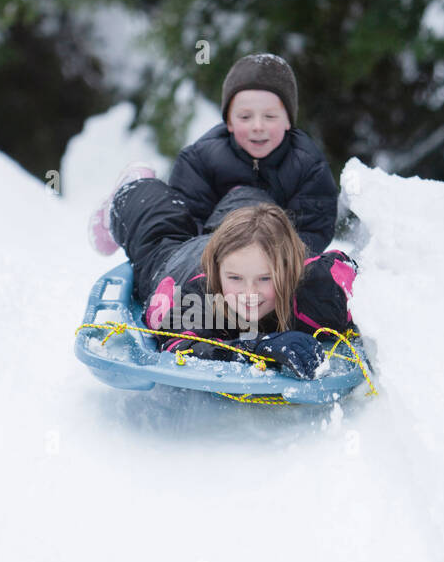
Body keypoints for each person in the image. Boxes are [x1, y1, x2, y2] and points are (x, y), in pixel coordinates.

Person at [105, 171, 358, 380]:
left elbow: (362, 283)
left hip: (242, 246)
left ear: (290, 272)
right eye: (236, 279)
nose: (249, 293)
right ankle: (133, 184)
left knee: (254, 203)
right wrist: (259, 346)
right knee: (155, 216)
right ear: (216, 273)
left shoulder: (319, 289)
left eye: (265, 279)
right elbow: (181, 348)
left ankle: (237, 189)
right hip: (176, 256)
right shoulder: (194, 298)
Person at [167, 52, 339, 255]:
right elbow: (185, 223)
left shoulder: (307, 164)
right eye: (245, 117)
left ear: (288, 122)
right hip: (212, 260)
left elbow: (315, 228)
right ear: (229, 122)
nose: (258, 126)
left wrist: (280, 257)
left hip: (278, 264)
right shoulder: (199, 162)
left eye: (269, 116)